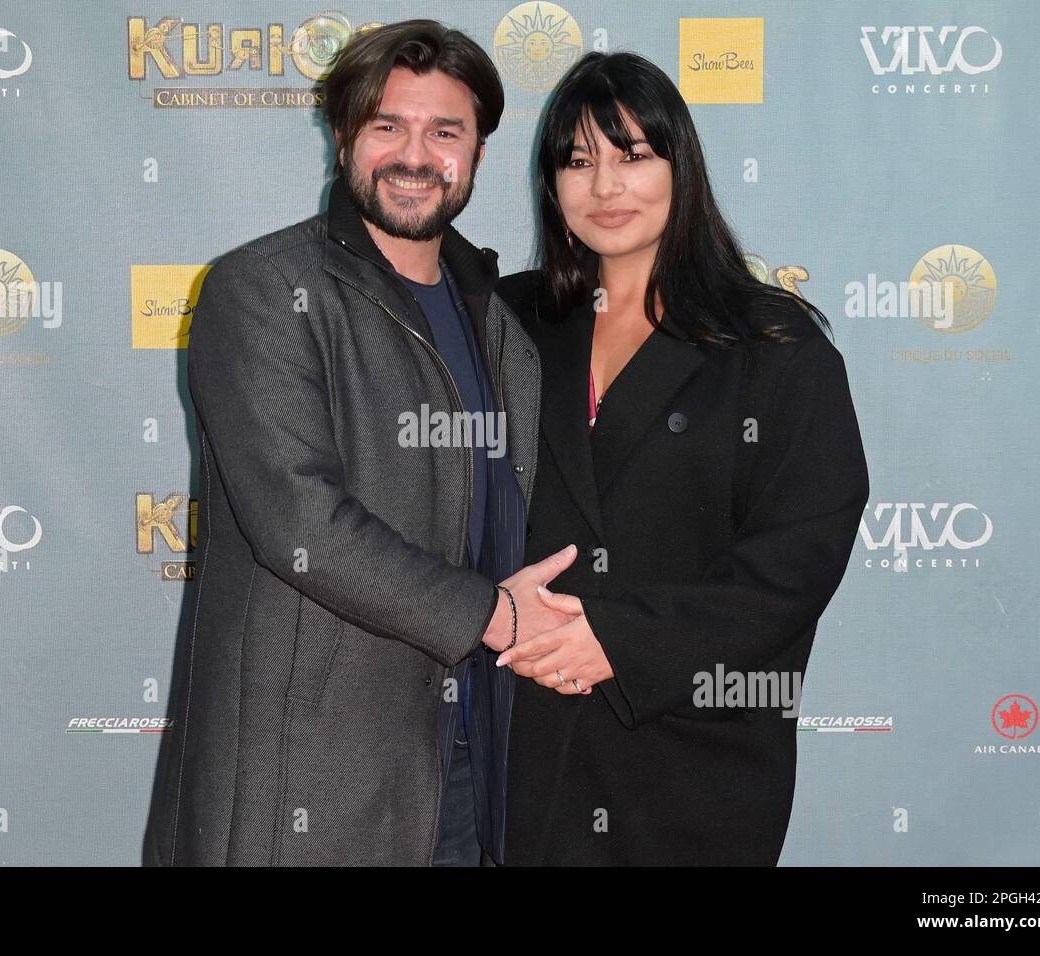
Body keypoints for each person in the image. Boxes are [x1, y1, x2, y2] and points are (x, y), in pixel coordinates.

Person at [143, 20, 577, 867]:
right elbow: (301, 524)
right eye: (388, 126)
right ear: (343, 137)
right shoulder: (265, 290)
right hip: (314, 786)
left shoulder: (498, 319)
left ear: (479, 152)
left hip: (466, 771)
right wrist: (494, 613)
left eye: (444, 132)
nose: (415, 155)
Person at [495, 51, 870, 865]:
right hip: (522, 758)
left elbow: (796, 560)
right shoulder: (508, 320)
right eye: (578, 161)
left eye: (633, 155)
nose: (605, 187)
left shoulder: (774, 343)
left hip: (693, 767)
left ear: (682, 167)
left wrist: (624, 643)